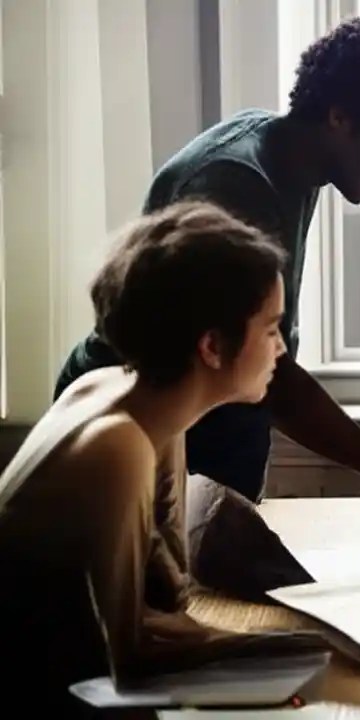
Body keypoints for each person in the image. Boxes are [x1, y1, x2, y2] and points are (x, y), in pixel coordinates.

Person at [51, 18, 360, 548]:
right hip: (151, 438)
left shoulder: (292, 158)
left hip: (209, 440)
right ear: (339, 118)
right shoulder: (233, 183)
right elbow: (269, 375)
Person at [0, 203, 327, 718]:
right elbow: (127, 655)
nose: (281, 348)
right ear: (213, 346)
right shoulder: (118, 444)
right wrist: (308, 645)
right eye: (269, 329)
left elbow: (169, 598)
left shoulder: (133, 401)